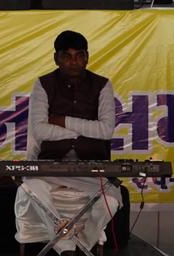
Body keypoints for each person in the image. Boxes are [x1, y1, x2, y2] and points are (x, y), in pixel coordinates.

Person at [14, 31, 120, 255]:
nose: (73, 61)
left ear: (87, 57)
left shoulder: (103, 86)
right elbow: (39, 129)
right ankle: (67, 247)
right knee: (30, 188)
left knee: (110, 201)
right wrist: (86, 130)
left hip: (92, 170)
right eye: (67, 56)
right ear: (56, 58)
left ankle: (80, 242)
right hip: (50, 167)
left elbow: (106, 130)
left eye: (79, 56)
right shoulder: (42, 85)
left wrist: (63, 121)